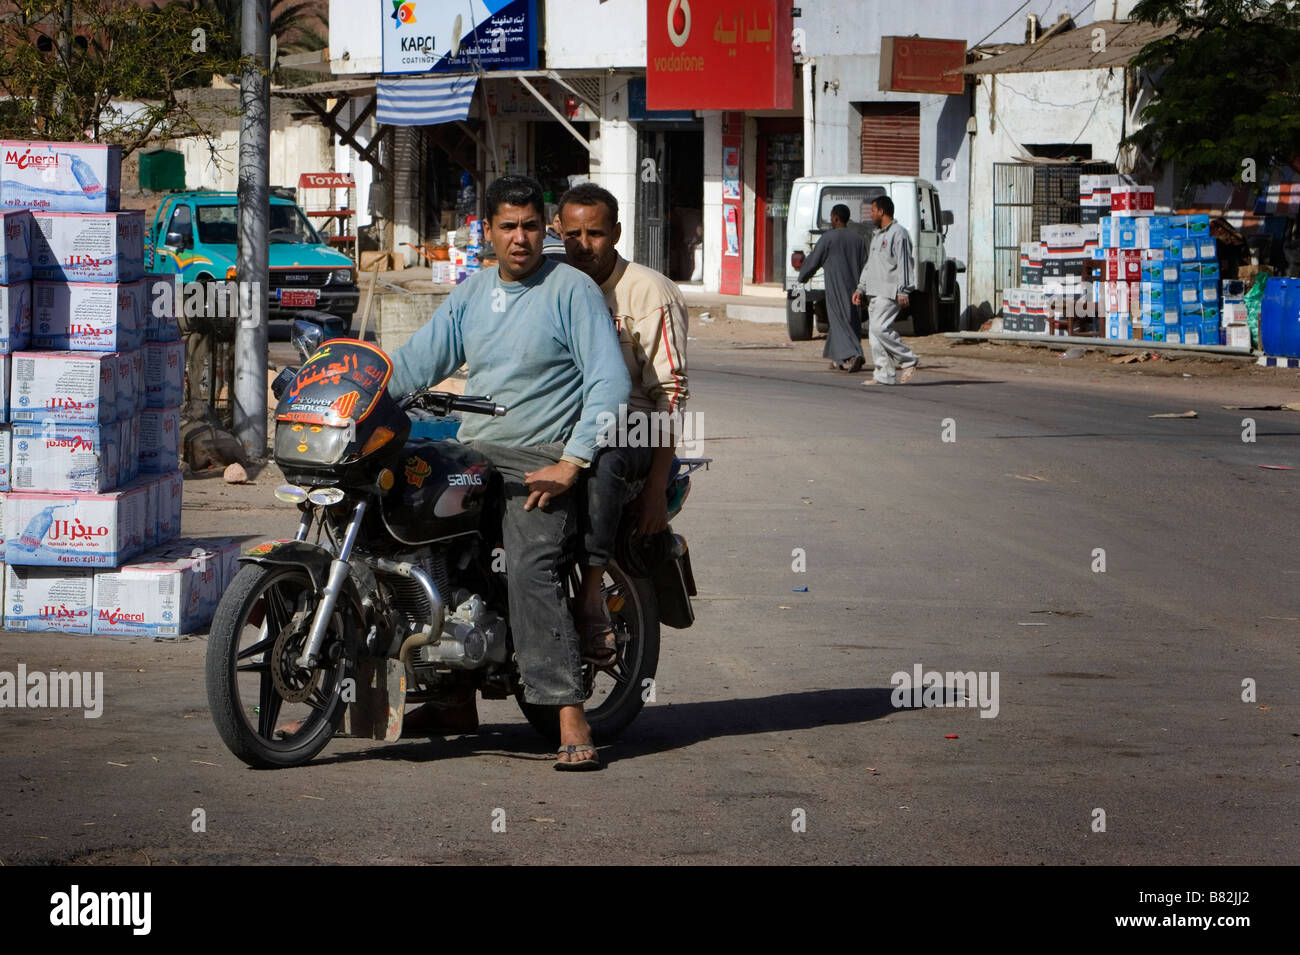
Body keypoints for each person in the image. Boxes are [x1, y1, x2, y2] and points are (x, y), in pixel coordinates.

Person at [388, 175, 631, 771]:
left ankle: (567, 708)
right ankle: (449, 697)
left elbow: (609, 380)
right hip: (473, 450)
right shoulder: (472, 294)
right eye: (507, 226)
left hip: (541, 453)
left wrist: (572, 461)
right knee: (410, 539)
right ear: (488, 233)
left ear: (543, 228)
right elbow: (417, 361)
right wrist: (358, 395)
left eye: (529, 225)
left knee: (528, 564)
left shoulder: (571, 289)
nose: (519, 238)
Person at [555, 183, 689, 667]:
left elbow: (670, 395)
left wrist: (656, 486)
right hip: (563, 419)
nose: (583, 245)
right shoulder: (553, 282)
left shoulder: (647, 291)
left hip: (632, 426)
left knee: (603, 456)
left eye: (595, 233)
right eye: (573, 234)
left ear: (615, 233)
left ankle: (591, 594)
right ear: (558, 231)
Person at [853, 195, 920, 385]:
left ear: (882, 211)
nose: (871, 214)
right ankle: (884, 374)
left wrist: (904, 290)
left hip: (889, 290)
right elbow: (869, 265)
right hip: (874, 290)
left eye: (873, 210)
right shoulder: (877, 235)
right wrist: (861, 288)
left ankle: (909, 359)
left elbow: (905, 263)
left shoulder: (899, 233)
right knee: (875, 336)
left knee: (880, 328)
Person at [796, 203, 868, 372]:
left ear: (835, 218)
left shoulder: (828, 238)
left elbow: (814, 260)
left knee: (840, 321)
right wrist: (864, 290)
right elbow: (866, 265)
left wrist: (802, 276)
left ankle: (854, 354)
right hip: (856, 288)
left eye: (831, 218)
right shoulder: (858, 239)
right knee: (851, 321)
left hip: (836, 287)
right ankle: (838, 359)